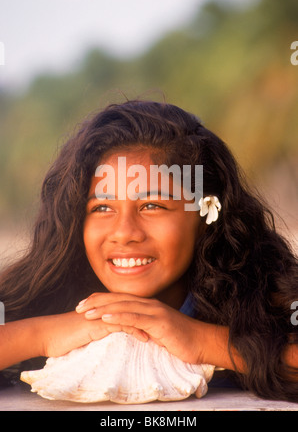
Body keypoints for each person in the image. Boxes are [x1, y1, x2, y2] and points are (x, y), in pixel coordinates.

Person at [0, 100, 297, 401]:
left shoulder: (258, 291)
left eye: (152, 205)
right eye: (102, 207)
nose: (125, 233)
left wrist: (200, 339)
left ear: (206, 215)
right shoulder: (50, 296)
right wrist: (41, 335)